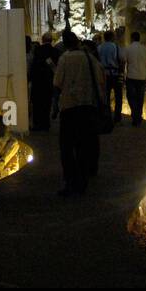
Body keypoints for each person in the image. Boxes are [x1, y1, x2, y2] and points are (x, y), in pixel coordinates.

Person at [52, 29, 106, 195]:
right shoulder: (90, 59)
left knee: (67, 147)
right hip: (87, 107)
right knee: (83, 145)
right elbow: (100, 80)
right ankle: (83, 179)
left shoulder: (65, 59)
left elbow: (57, 84)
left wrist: (55, 107)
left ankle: (71, 181)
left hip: (69, 108)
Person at [29, 32, 59, 132]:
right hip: (49, 81)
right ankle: (46, 124)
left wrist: (31, 78)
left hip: (38, 81)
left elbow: (34, 65)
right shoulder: (55, 51)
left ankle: (37, 124)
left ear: (42, 39)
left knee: (37, 103)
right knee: (47, 103)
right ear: (51, 40)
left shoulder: (38, 50)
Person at [123, 31, 146, 126]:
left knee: (131, 97)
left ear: (131, 38)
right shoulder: (144, 49)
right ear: (139, 39)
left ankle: (135, 114)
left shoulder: (128, 49)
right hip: (141, 77)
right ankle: (138, 116)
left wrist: (122, 75)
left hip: (131, 77)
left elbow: (123, 62)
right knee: (140, 98)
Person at [98, 30, 123, 123]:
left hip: (104, 74)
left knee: (106, 96)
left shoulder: (99, 47)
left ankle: (107, 114)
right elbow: (121, 59)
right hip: (115, 74)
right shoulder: (115, 47)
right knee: (118, 96)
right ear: (112, 37)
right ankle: (117, 116)